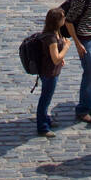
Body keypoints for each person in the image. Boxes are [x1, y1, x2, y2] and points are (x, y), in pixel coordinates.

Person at [35, 8, 71, 137]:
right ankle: (42, 127)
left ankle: (46, 120)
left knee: (47, 98)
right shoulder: (51, 38)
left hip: (52, 71)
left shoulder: (55, 33)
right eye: (63, 17)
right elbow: (55, 59)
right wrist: (66, 47)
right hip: (49, 73)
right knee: (45, 99)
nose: (64, 19)